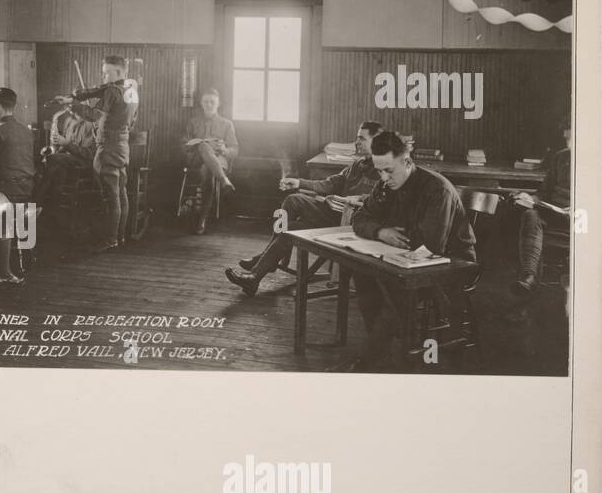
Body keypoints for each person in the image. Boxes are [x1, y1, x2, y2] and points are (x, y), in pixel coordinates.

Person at [334, 131, 477, 372]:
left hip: (453, 263)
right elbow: (360, 219)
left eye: (388, 170)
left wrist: (395, 231)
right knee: (364, 275)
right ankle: (381, 352)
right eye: (379, 170)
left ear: (407, 162)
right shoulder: (388, 185)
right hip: (411, 258)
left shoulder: (436, 189)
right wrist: (382, 232)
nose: (383, 177)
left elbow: (430, 245)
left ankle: (368, 360)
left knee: (395, 287)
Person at [224, 122, 384, 296]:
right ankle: (255, 276)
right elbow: (329, 183)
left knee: (294, 201)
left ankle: (265, 260)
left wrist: (358, 199)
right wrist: (298, 182)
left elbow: (382, 201)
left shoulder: (384, 169)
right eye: (357, 137)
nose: (356, 142)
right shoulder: (359, 164)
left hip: (352, 224)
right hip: (334, 214)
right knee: (289, 227)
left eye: (362, 138)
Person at [73, 55, 137, 253]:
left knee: (111, 197)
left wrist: (72, 104)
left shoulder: (111, 91)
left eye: (106, 72)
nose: (103, 76)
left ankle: (110, 240)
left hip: (108, 148)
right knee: (121, 193)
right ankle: (120, 236)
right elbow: (131, 120)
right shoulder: (131, 90)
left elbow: (93, 115)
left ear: (118, 72)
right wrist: (82, 95)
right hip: (122, 147)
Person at [512, 122, 572, 296]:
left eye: (572, 138)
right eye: (566, 138)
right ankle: (529, 276)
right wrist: (529, 198)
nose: (568, 143)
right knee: (530, 213)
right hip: (555, 213)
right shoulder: (560, 158)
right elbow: (543, 193)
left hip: (582, 220)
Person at [0, 87, 34, 285]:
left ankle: (3, 271)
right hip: (27, 188)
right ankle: (23, 260)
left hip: (9, 191)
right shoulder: (26, 131)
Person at [181, 88, 238, 234]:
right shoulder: (193, 122)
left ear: (218, 104)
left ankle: (202, 219)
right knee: (203, 145)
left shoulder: (227, 124)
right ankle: (224, 181)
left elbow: (235, 150)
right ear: (201, 103)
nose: (209, 104)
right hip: (195, 160)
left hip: (218, 161)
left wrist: (224, 149)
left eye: (212, 102)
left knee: (208, 169)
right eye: (206, 101)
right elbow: (183, 145)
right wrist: (195, 145)